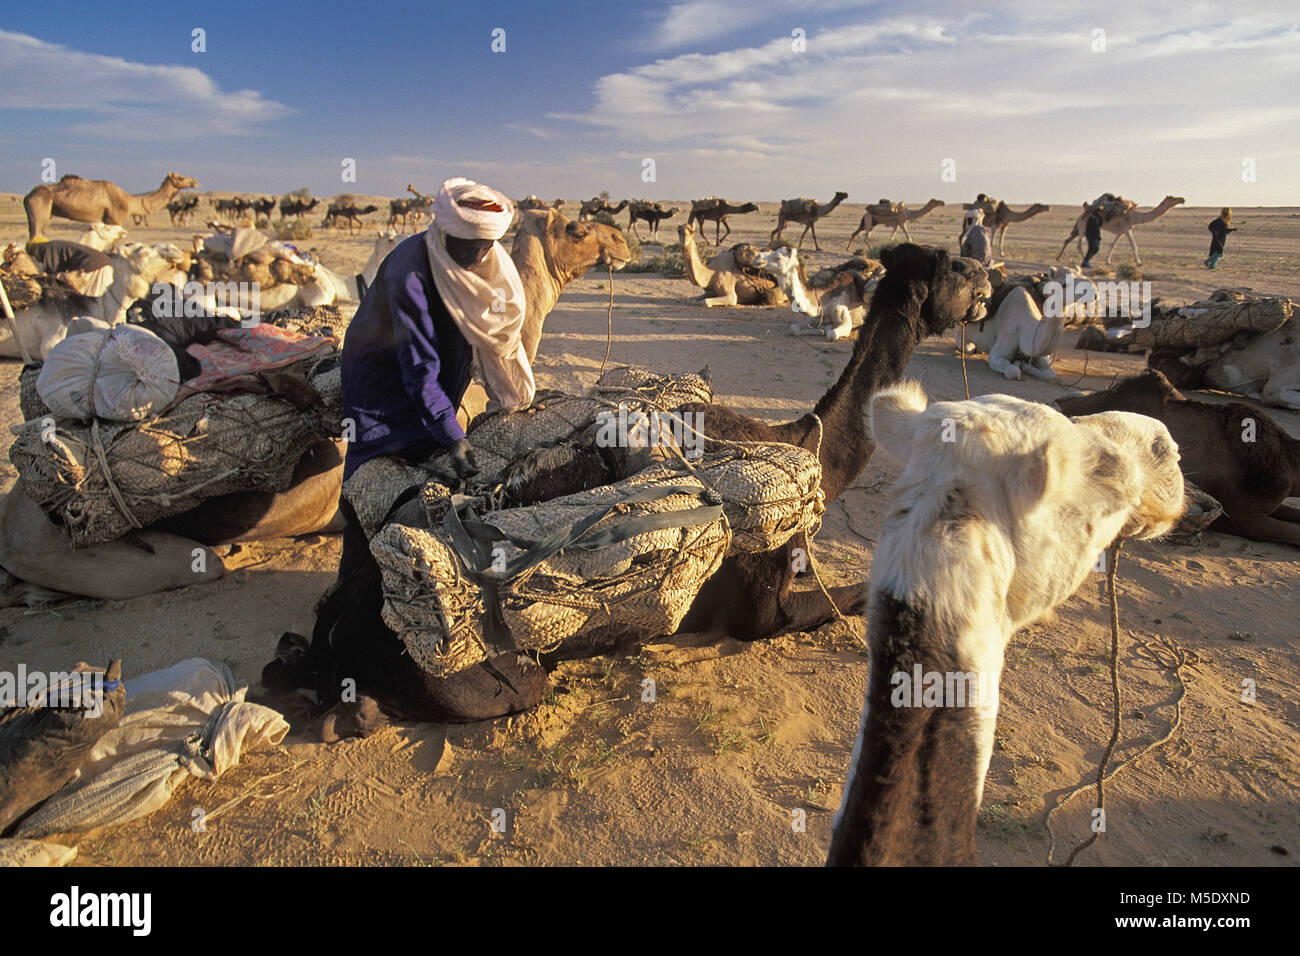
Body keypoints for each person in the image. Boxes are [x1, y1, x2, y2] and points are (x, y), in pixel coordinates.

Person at [336, 177, 536, 578]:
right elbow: (418, 367)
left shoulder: (485, 263)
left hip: (437, 379)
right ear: (445, 232)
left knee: (431, 479)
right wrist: (452, 434)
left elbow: (493, 332)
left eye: (486, 247)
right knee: (367, 487)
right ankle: (352, 584)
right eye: (469, 248)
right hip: (382, 385)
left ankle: (407, 572)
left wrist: (511, 394)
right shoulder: (409, 274)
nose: (478, 257)